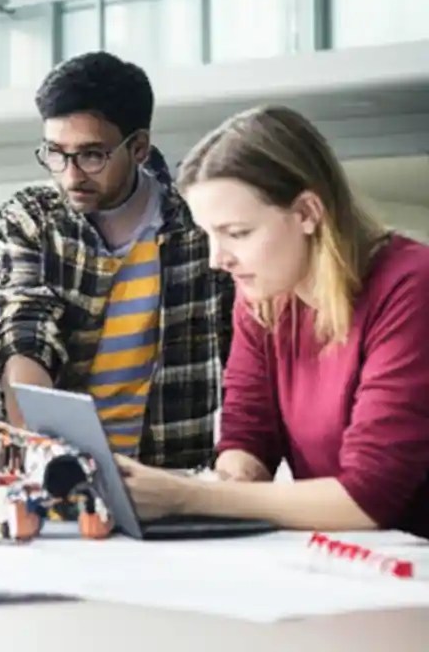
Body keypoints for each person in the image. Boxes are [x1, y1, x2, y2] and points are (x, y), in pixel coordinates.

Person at [118, 106, 429, 538]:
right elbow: (248, 436)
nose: (217, 259)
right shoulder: (262, 296)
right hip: (355, 566)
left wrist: (187, 495)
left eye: (238, 233)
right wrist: (235, 478)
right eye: (209, 235)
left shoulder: (412, 286)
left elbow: (369, 496)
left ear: (307, 213)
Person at [0, 51, 233, 469]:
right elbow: (23, 330)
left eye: (91, 155)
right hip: (58, 470)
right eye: (55, 153)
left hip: (173, 475)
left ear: (138, 147)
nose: (70, 175)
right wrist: (43, 455)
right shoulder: (31, 220)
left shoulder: (200, 226)